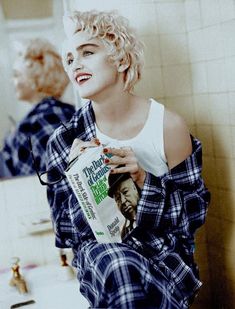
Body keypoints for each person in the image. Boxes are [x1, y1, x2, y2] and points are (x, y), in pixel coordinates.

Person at [46, 10, 210, 308]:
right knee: (120, 266)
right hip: (104, 265)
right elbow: (67, 235)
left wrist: (144, 182)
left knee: (127, 271)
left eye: (87, 52)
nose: (75, 64)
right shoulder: (65, 140)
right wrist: (76, 179)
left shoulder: (167, 127)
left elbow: (193, 217)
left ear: (121, 60)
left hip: (164, 264)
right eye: (69, 59)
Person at [0, 38, 75, 178]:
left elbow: (60, 175)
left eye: (16, 75)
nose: (13, 81)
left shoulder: (47, 117)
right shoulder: (57, 112)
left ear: (36, 74)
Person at [108, 168, 140, 239]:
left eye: (125, 192)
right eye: (118, 198)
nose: (123, 201)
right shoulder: (124, 233)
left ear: (136, 187)